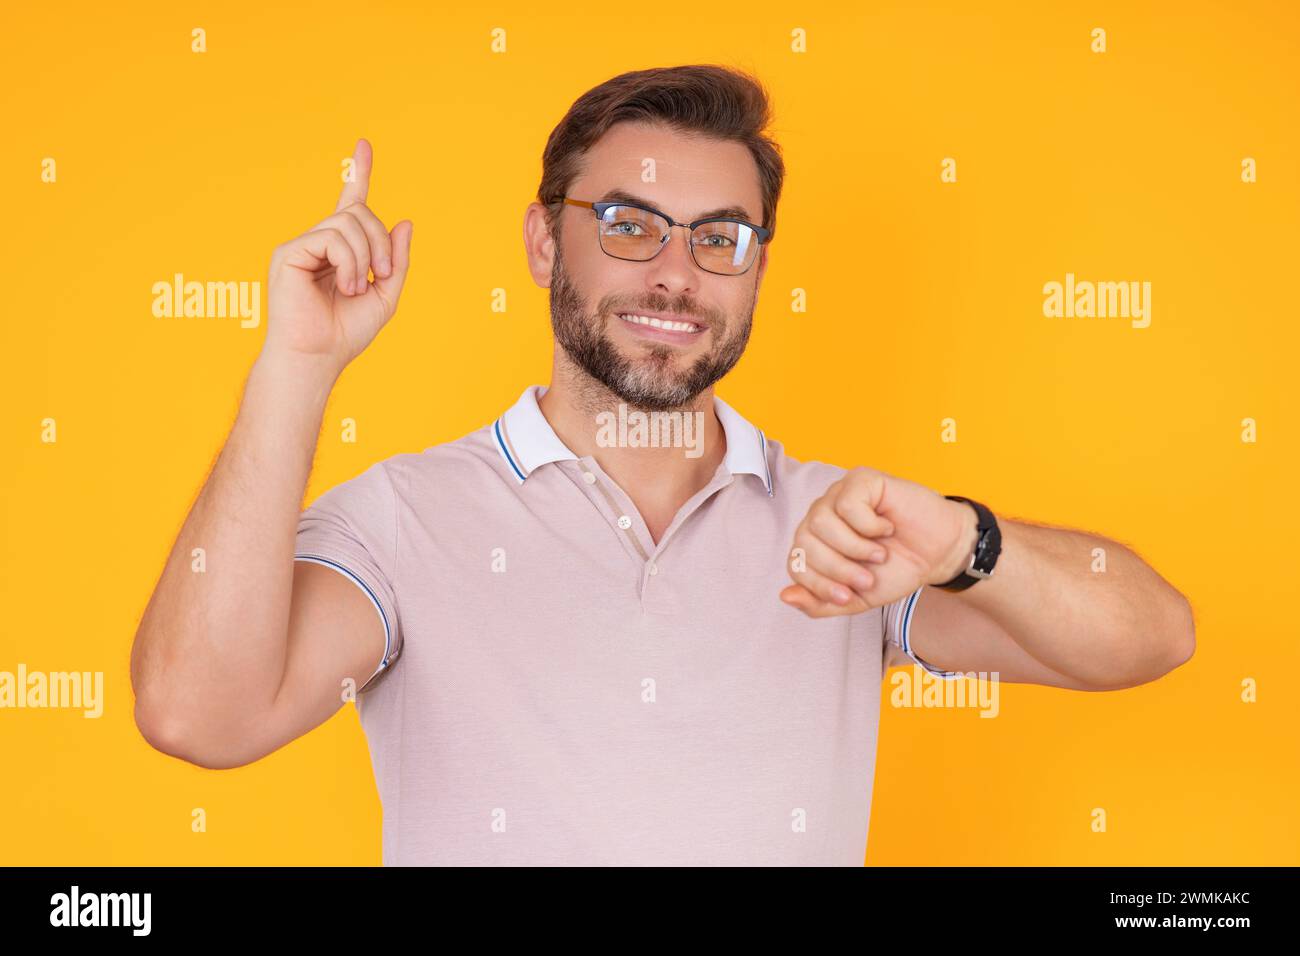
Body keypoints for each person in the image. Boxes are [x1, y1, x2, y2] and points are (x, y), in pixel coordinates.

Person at [131, 64, 1195, 866]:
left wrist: (965, 541)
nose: (677, 275)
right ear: (545, 244)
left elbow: (1152, 636)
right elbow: (194, 715)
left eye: (720, 237)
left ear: (757, 268)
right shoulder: (406, 519)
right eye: (631, 225)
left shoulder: (845, 531)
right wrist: (297, 366)